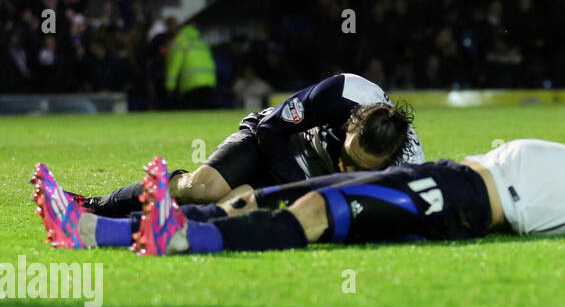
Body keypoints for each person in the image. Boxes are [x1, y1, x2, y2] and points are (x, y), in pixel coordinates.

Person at [32, 143, 565, 255]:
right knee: (273, 190)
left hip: (464, 197)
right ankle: (103, 220)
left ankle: (139, 243)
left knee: (311, 217)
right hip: (451, 172)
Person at [72, 72, 424, 215]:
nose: (350, 168)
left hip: (312, 177)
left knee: (227, 210)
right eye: (350, 156)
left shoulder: (410, 162)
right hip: (275, 140)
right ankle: (95, 205)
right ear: (349, 125)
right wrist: (298, 190)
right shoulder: (341, 93)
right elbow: (272, 128)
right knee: (202, 188)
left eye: (364, 167)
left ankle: (130, 230)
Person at [164, 18, 216, 108]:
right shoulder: (201, 42)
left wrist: (169, 87)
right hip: (208, 81)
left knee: (192, 114)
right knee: (205, 114)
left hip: (191, 83)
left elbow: (174, 65)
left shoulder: (180, 42)